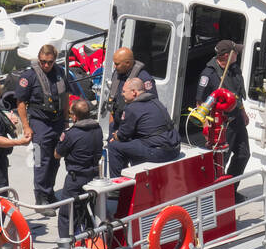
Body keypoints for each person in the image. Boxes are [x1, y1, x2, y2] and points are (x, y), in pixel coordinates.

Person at [15, 44, 70, 205]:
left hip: (58, 122)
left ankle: (49, 191)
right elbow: (20, 102)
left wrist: (66, 120)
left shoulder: (60, 73)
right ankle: (41, 196)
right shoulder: (29, 76)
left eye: (49, 62)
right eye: (43, 61)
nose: (46, 65)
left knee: (55, 158)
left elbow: (65, 97)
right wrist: (26, 126)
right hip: (40, 124)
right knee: (40, 159)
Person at [197, 39, 251, 197]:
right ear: (227, 56)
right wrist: (206, 125)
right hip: (221, 126)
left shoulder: (234, 69)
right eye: (236, 52)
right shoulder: (209, 75)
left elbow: (237, 94)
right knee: (221, 160)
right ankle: (215, 197)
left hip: (237, 121)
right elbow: (200, 102)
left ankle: (230, 191)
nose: (238, 54)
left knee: (243, 154)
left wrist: (243, 112)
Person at [107, 77, 180, 175]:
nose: (122, 94)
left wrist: (116, 135)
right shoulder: (156, 101)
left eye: (124, 91)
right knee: (134, 141)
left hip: (161, 153)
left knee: (114, 146)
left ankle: (118, 185)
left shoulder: (132, 108)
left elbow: (123, 136)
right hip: (175, 148)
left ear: (134, 92)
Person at [54, 99, 104, 238]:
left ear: (74, 117)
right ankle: (89, 246)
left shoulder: (71, 134)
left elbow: (57, 154)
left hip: (76, 179)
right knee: (89, 212)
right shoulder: (98, 129)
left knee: (66, 214)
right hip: (93, 177)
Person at [106, 46, 158, 134]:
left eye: (117, 64)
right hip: (117, 124)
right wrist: (112, 131)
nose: (114, 66)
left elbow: (152, 107)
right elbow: (113, 105)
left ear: (127, 63)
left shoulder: (144, 78)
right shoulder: (117, 74)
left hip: (133, 128)